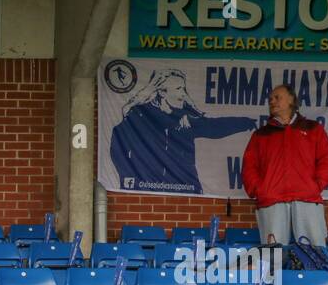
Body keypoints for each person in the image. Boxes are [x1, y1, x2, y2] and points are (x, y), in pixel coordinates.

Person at [109, 69, 258, 194]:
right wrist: (128, 176)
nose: (183, 93)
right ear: (162, 92)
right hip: (147, 190)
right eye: (178, 89)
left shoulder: (186, 116)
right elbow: (118, 142)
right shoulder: (140, 115)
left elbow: (214, 127)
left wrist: (245, 122)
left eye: (184, 88)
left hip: (186, 189)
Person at [241, 84, 328, 246]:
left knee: (314, 254)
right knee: (273, 257)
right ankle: (275, 272)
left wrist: (316, 185)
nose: (272, 101)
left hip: (307, 198)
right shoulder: (261, 135)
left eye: (277, 97)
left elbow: (326, 160)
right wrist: (260, 190)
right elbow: (249, 166)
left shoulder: (313, 129)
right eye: (270, 99)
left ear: (291, 100)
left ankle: (313, 273)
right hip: (272, 200)